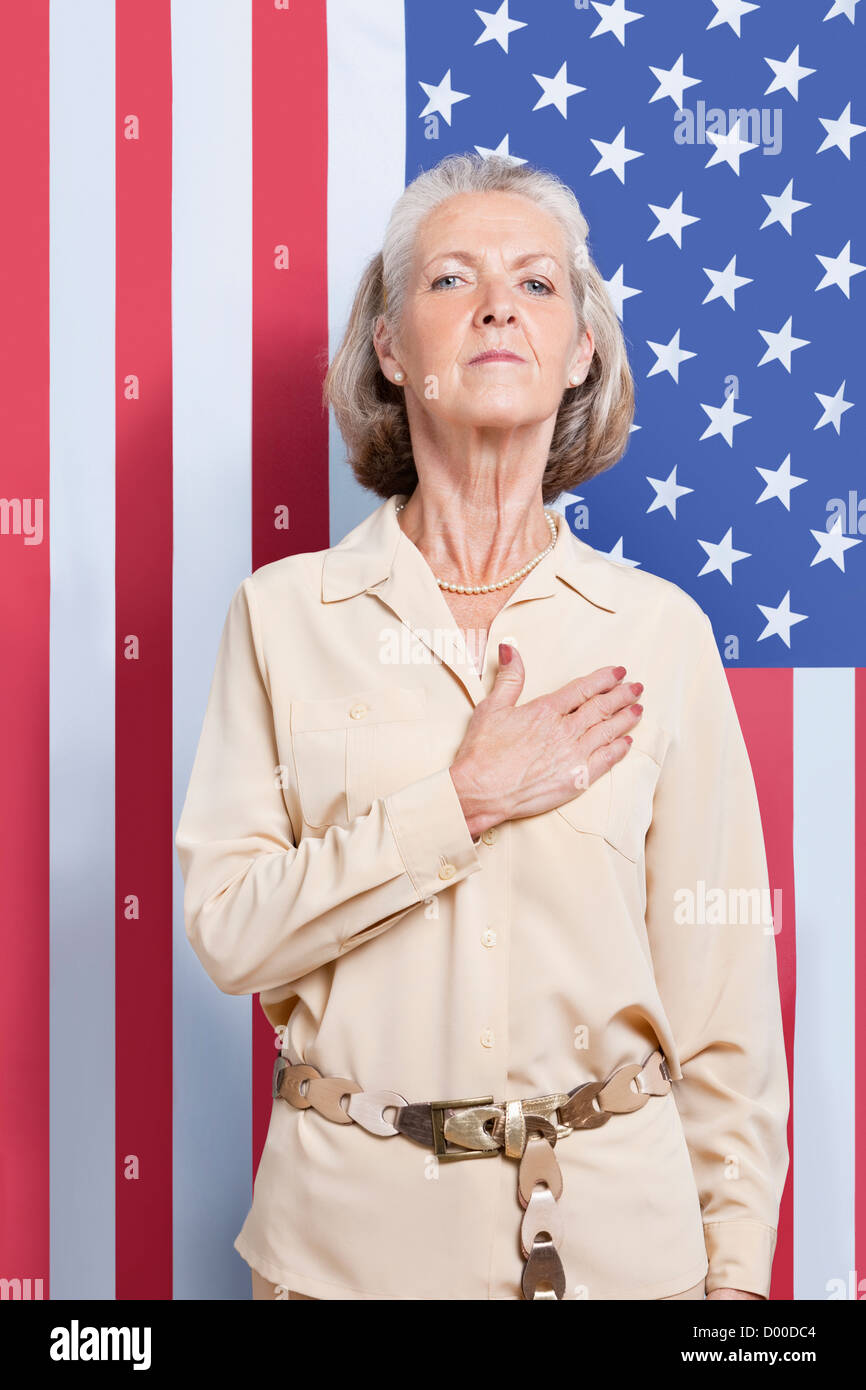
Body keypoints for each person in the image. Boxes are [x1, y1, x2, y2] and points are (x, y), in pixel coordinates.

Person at [175, 152, 789, 1302]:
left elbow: (724, 1016)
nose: (500, 304)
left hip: (624, 1258)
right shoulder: (281, 615)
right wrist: (458, 804)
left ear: (580, 353)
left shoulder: (659, 633)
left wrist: (736, 1291)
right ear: (392, 349)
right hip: (341, 1260)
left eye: (537, 285)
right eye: (453, 279)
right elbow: (228, 931)